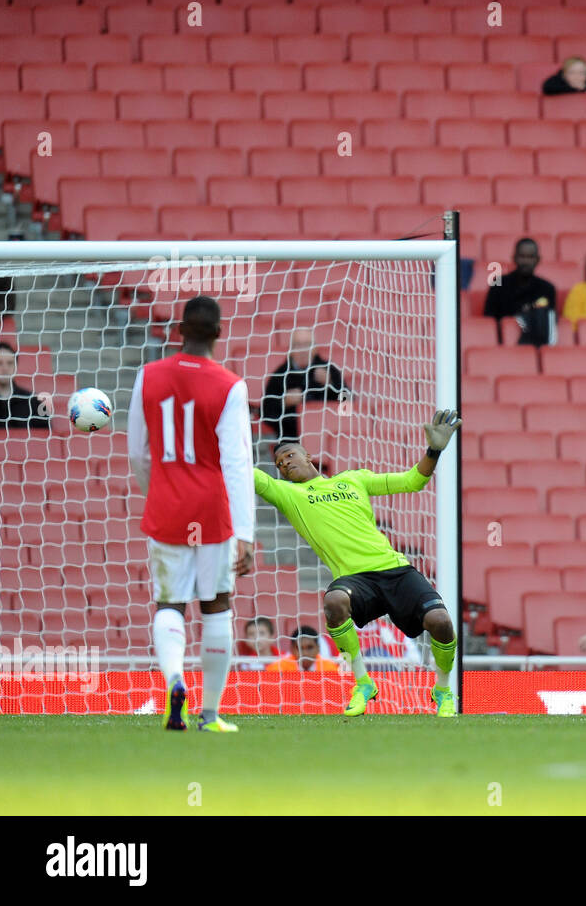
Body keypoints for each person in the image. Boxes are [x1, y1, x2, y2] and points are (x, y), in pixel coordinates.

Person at [253, 409, 462, 717]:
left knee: (441, 623)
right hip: (355, 580)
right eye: (280, 464)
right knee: (335, 601)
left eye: (289, 456)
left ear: (307, 455)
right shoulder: (287, 494)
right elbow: (245, 471)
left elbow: (413, 481)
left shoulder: (354, 479)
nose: (285, 464)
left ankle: (443, 689)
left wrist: (434, 450)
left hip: (395, 569)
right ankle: (363, 683)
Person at [126, 295, 255, 733]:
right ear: (218, 333)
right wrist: (246, 532)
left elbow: (137, 453)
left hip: (168, 508)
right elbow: (237, 463)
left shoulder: (147, 377)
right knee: (217, 603)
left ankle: (175, 679)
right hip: (212, 513)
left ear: (178, 330)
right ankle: (212, 715)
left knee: (170, 602)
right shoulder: (230, 386)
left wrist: (157, 491)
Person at [261, 327, 349, 447]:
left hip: (328, 442)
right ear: (291, 349)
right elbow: (266, 414)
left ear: (315, 348)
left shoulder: (329, 371)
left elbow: (348, 405)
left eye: (307, 345)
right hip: (292, 444)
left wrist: (331, 385)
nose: (303, 350)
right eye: (298, 345)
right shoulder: (280, 376)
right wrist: (284, 402)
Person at [483, 238, 559, 346]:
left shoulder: (547, 288)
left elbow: (549, 324)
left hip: (536, 345)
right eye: (522, 256)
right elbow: (489, 321)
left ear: (538, 259)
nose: (526, 261)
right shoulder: (498, 284)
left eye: (530, 257)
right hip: (503, 345)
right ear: (514, 258)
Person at [0, 342, 50, 428]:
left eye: (9, 363)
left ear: (15, 366)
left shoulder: (34, 402)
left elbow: (45, 436)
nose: (5, 368)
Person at [267, 625, 339, 673]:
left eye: (310, 647)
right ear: (292, 649)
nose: (305, 653)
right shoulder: (277, 669)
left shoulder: (330, 668)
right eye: (299, 648)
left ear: (318, 648)